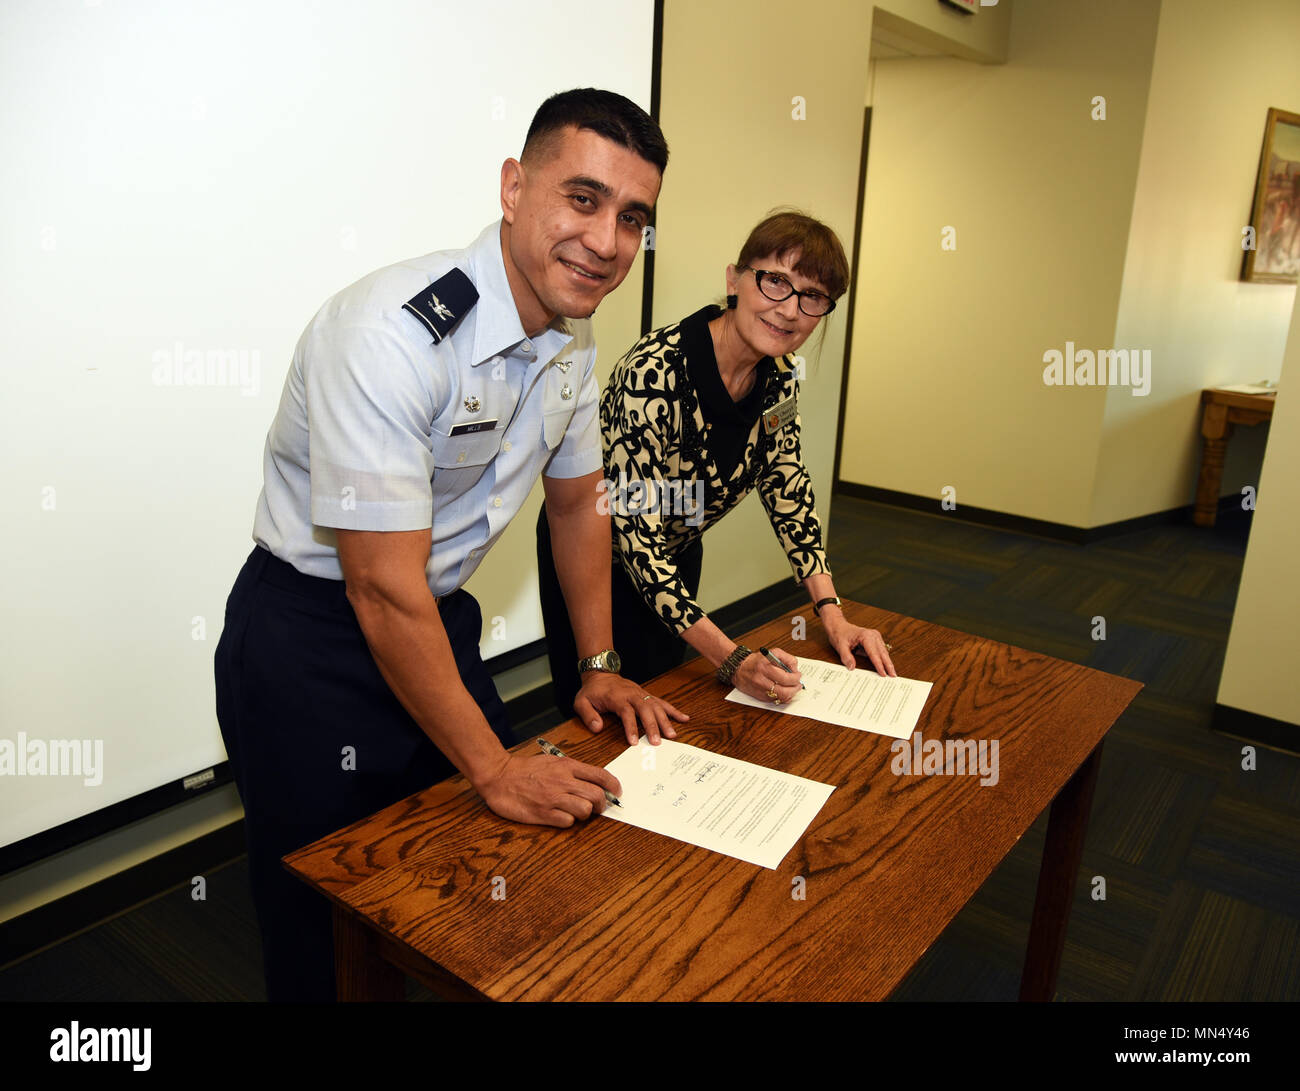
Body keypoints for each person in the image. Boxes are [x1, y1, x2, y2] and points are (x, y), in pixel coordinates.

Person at [214, 88, 686, 1003]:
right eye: (582, 199)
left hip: (432, 619)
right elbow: (380, 589)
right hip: (310, 637)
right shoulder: (388, 333)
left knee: (485, 863)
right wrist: (495, 766)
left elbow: (582, 501)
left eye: (633, 218)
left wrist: (596, 660)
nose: (607, 242)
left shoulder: (572, 334)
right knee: (325, 906)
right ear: (514, 188)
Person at [538, 210, 896, 715]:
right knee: (599, 713)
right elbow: (637, 538)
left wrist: (831, 611)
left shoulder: (780, 376)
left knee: (665, 699)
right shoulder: (654, 373)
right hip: (598, 560)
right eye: (775, 281)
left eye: (813, 297)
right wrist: (731, 661)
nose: (790, 310)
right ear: (734, 279)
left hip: (677, 556)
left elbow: (786, 484)